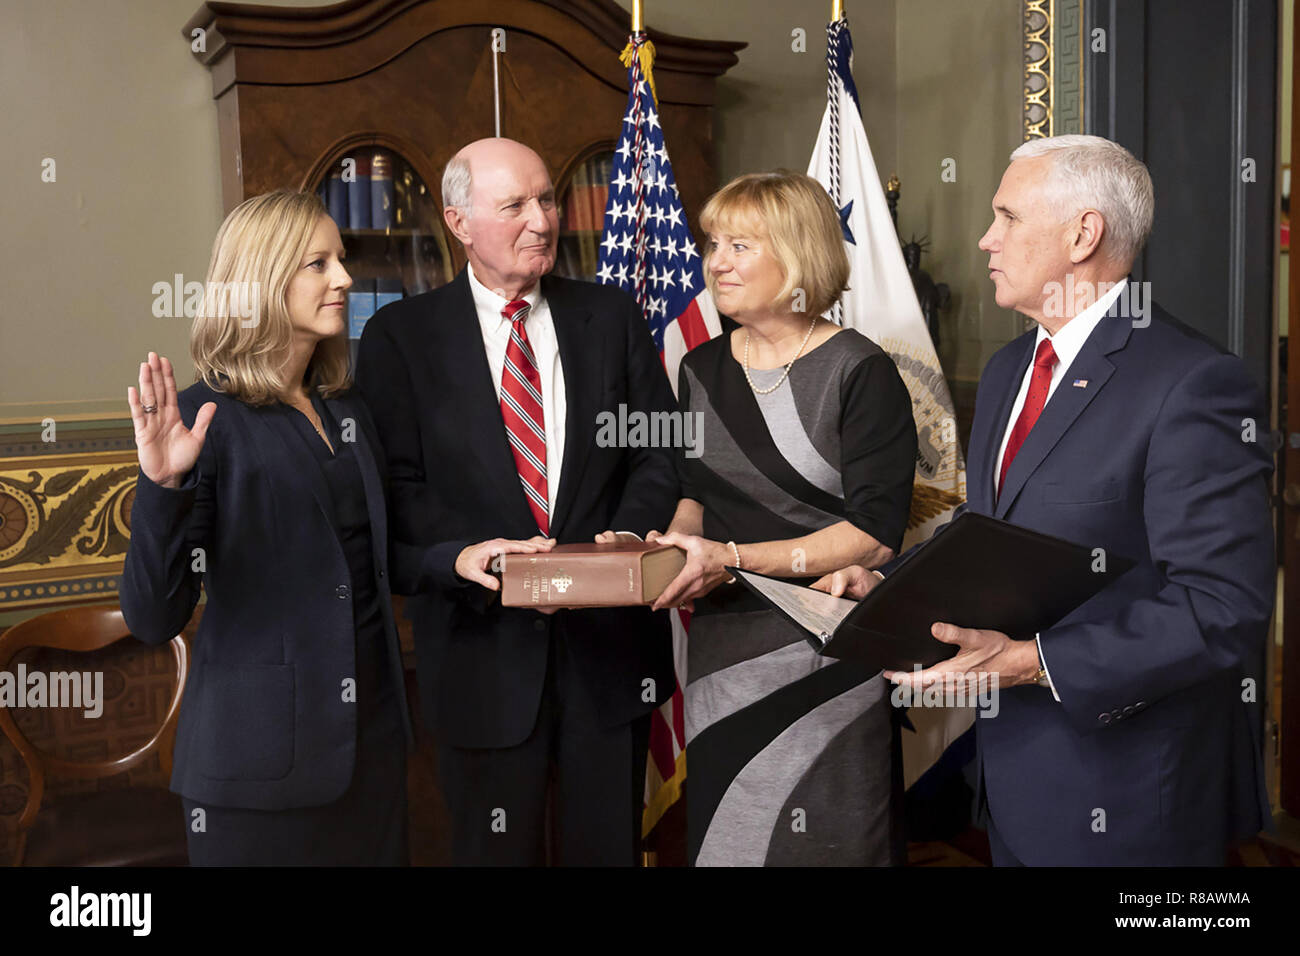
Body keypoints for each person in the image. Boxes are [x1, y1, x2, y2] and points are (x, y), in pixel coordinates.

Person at [819, 135, 1274, 866]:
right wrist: (894, 594)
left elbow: (1223, 604)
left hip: (1131, 794)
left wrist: (1035, 662)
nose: (984, 237)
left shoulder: (1191, 384)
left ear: (1082, 234)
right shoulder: (1008, 368)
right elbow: (993, 538)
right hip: (1017, 778)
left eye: (1007, 216)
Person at [120, 190, 549, 865]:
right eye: (318, 264)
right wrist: (163, 484)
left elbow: (365, 561)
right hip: (258, 768)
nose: (345, 279)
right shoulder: (204, 418)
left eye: (340, 259)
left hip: (373, 748)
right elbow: (152, 615)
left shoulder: (345, 407)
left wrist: (456, 559)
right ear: (261, 281)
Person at [355, 138, 678, 866]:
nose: (542, 220)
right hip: (481, 658)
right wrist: (490, 564)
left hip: (608, 653)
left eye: (547, 199)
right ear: (459, 222)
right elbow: (398, 493)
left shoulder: (612, 317)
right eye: (514, 205)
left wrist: (619, 543)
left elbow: (658, 452)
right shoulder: (400, 338)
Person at [646, 171, 918, 866]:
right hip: (721, 655)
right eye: (713, 243)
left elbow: (874, 533)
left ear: (797, 255)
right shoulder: (700, 369)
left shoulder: (861, 371)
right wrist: (675, 544)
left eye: (741, 244)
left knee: (829, 840)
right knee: (731, 839)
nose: (717, 261)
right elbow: (694, 490)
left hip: (826, 642)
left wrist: (731, 557)